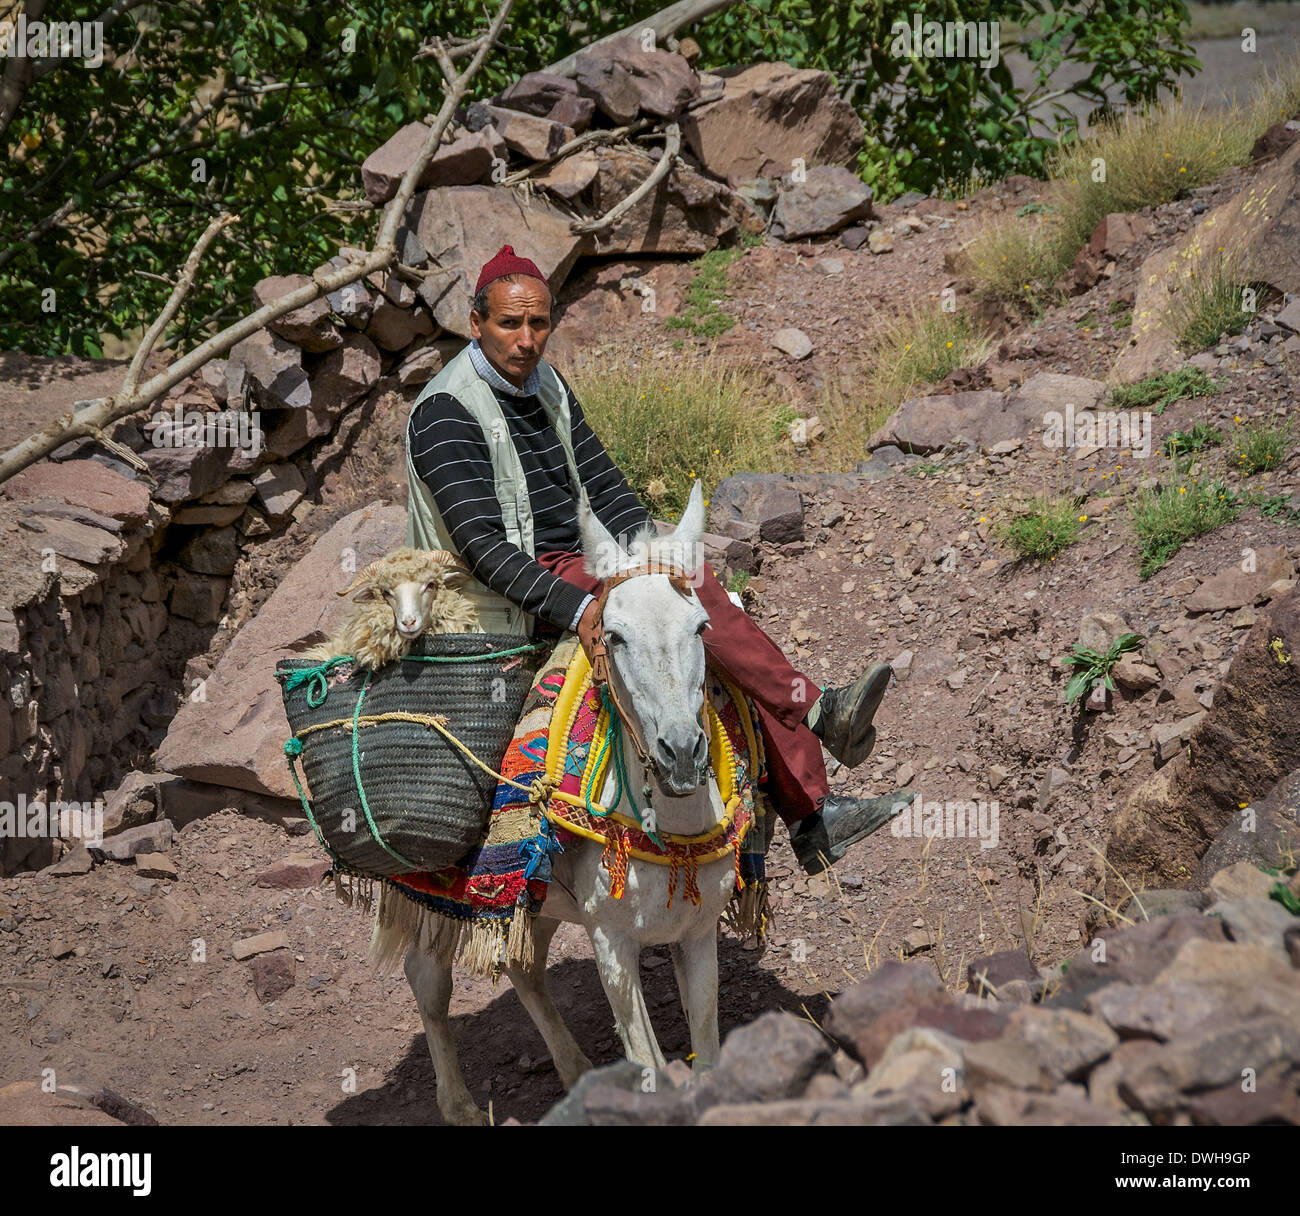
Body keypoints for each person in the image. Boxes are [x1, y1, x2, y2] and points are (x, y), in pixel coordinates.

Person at [405, 244, 906, 874]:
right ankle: (815, 740)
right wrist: (581, 604)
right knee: (686, 607)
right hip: (510, 584)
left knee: (690, 588)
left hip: (581, 554)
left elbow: (604, 485)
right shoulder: (448, 411)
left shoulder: (547, 385)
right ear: (475, 323)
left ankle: (809, 798)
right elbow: (481, 547)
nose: (527, 339)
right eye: (509, 324)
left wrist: (656, 552)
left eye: (538, 324)